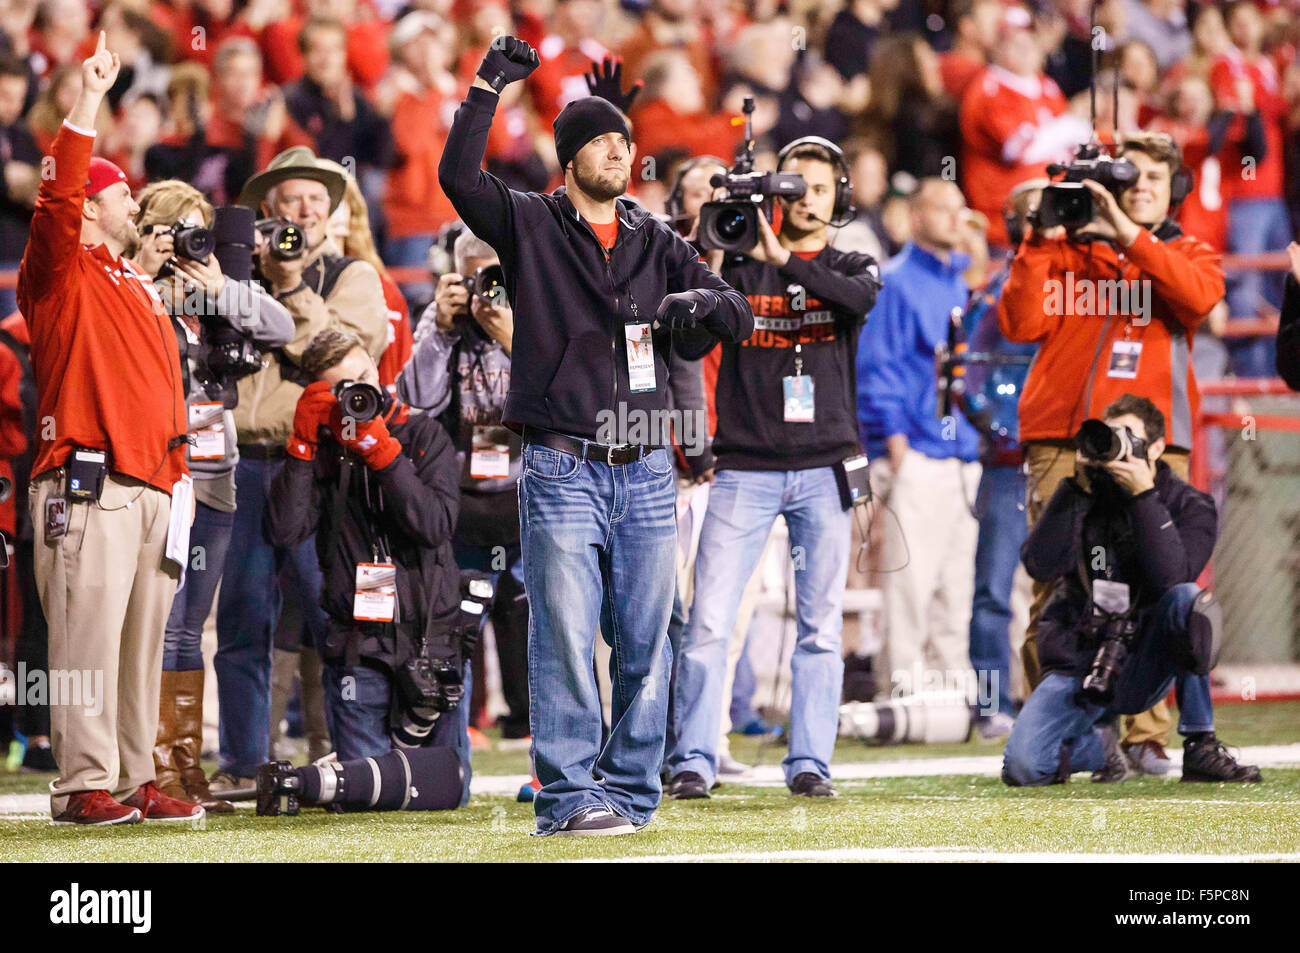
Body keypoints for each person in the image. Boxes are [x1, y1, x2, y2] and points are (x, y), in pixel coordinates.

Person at [439, 36, 752, 836]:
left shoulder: (657, 240)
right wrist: (487, 88)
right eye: (604, 140)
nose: (622, 149)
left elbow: (737, 309)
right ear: (571, 158)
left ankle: (630, 790)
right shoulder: (531, 224)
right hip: (563, 463)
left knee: (650, 640)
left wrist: (703, 309)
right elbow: (456, 178)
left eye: (627, 139)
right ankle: (570, 794)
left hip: (648, 462)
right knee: (567, 636)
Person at [998, 130, 1226, 774]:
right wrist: (1037, 240)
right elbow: (1019, 323)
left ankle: (1146, 735)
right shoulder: (1065, 249)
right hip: (1061, 440)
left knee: (1161, 584)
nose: (1144, 187)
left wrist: (1130, 236)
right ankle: (1066, 729)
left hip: (1155, 447)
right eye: (1132, 179)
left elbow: (1199, 299)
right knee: (1054, 588)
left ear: (1173, 189)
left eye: (1156, 178)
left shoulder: (1191, 252)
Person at [18, 33, 201, 825]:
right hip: (86, 478)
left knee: (135, 647)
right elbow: (55, 195)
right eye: (123, 193)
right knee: (86, 643)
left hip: (151, 481)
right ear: (89, 206)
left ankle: (130, 775)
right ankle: (79, 781)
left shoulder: (137, 282)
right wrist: (88, 99)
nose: (137, 204)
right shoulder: (58, 269)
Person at [666, 137, 880, 800]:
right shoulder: (738, 268)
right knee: (711, 620)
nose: (805, 200)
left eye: (817, 188)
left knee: (820, 625)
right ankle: (695, 757)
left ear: (838, 195)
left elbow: (856, 301)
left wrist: (782, 258)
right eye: (793, 188)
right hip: (745, 466)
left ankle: (811, 759)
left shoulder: (853, 261)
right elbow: (690, 341)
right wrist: (720, 265)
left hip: (825, 465)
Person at [211, 143, 388, 792]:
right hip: (245, 462)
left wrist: (284, 289)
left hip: (322, 466)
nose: (307, 210)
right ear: (267, 209)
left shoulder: (354, 277)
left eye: (318, 199)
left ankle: (357, 756)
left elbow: (342, 361)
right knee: (242, 620)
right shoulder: (232, 276)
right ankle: (239, 763)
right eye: (292, 199)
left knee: (336, 616)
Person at [130, 179, 293, 814]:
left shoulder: (218, 291)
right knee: (161, 624)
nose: (192, 245)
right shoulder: (137, 289)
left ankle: (184, 764)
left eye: (200, 230)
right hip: (162, 473)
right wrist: (157, 289)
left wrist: (222, 286)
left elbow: (278, 326)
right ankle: (149, 763)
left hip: (217, 472)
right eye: (180, 231)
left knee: (191, 627)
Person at [1002, 394, 1260, 785]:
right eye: (1110, 436)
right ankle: (1095, 745)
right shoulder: (1086, 497)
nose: (1116, 447)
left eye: (1129, 438)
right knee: (1024, 767)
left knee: (1190, 602)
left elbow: (1171, 577)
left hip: (1145, 660)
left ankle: (1200, 743)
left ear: (1157, 448)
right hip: (1083, 657)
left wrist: (1144, 496)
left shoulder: (1190, 505)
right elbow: (1040, 565)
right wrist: (1074, 487)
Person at [266, 328, 472, 805]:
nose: (362, 393)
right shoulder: (322, 451)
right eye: (345, 389)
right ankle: (328, 777)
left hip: (431, 640)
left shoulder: (423, 434)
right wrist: (300, 445)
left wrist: (383, 453)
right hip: (358, 644)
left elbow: (434, 525)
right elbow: (284, 532)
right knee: (368, 797)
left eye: (364, 377)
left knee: (448, 792)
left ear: (378, 368)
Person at [397, 228, 530, 744]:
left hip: (520, 490)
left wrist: (508, 333)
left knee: (521, 611)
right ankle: (462, 723)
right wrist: (442, 330)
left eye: (495, 274)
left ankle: (525, 721)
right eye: (474, 276)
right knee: (455, 614)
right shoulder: (441, 321)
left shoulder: (532, 311)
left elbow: (559, 389)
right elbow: (416, 403)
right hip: (460, 494)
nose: (486, 288)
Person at [858, 178, 982, 708]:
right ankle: (903, 695)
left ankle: (950, 699)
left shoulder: (961, 283)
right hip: (919, 452)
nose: (958, 219)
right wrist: (895, 440)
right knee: (910, 587)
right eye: (944, 210)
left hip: (960, 452)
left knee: (956, 588)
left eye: (961, 209)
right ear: (915, 217)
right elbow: (876, 364)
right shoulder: (895, 281)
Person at [961, 181, 1044, 737]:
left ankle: (1068, 704)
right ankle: (993, 703)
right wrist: (1001, 427)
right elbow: (968, 371)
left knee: (1078, 587)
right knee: (994, 587)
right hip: (1014, 461)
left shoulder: (1084, 282)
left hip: (1070, 455)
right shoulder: (998, 291)